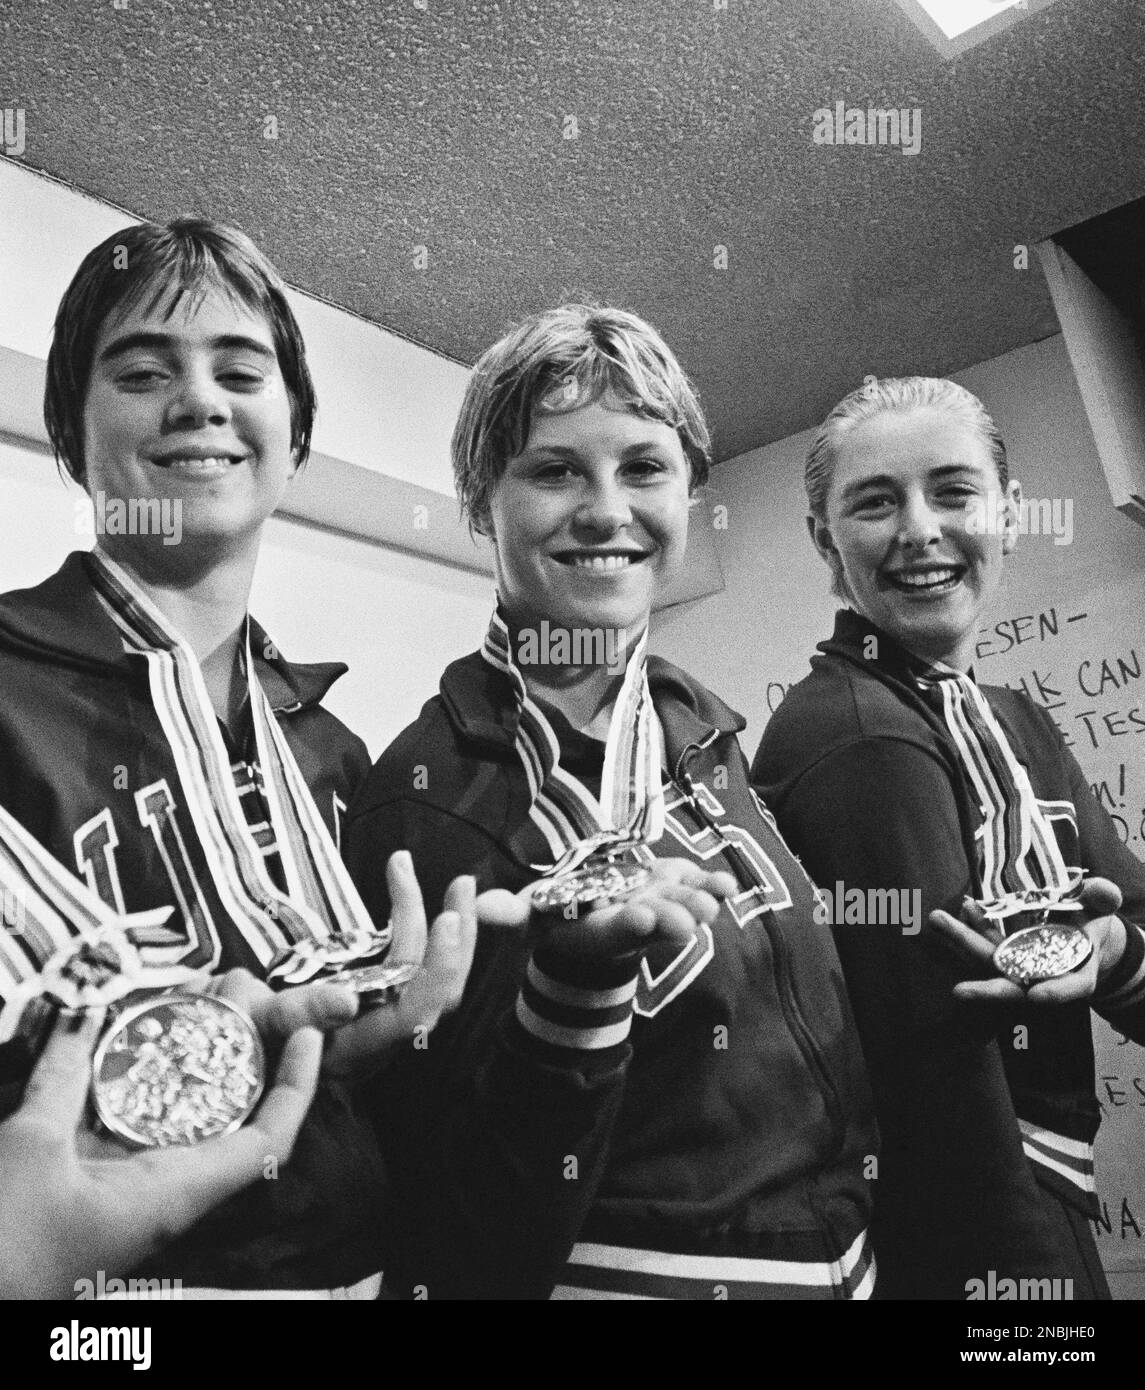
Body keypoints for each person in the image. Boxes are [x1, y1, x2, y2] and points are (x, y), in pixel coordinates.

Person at [343, 304, 879, 1300]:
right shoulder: (423, 802)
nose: (604, 509)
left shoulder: (698, 729)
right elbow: (447, 1198)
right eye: (553, 470)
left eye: (642, 467)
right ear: (478, 506)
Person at [0, 216, 485, 1297]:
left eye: (240, 369)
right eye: (141, 369)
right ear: (71, 433)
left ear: (294, 436)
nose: (200, 401)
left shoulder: (337, 752)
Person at [752, 376, 1145, 1299]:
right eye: (875, 502)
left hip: (1041, 1204)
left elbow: (1129, 935)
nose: (919, 529)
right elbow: (943, 1095)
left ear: (1007, 513)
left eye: (952, 491)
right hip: (972, 1246)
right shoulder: (860, 736)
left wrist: (1112, 948)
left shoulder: (1013, 722)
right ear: (825, 539)